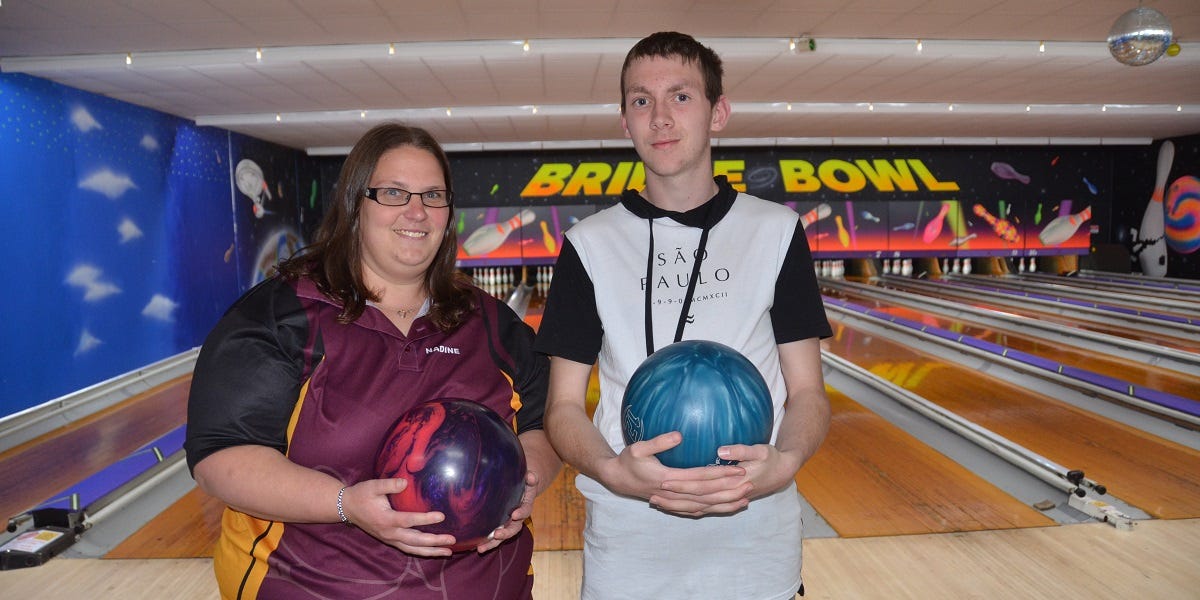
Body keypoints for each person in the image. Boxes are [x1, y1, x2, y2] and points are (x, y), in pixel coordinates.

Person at [184, 123, 560, 600]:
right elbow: (221, 456)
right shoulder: (281, 316)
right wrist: (345, 504)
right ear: (355, 204)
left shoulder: (492, 323)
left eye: (433, 195)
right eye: (394, 193)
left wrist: (527, 483)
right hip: (310, 585)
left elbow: (544, 423)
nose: (417, 212)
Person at [534, 32, 832, 599]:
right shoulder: (588, 245)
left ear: (718, 113)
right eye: (641, 101)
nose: (660, 118)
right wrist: (613, 470)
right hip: (628, 549)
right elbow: (564, 407)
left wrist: (786, 461)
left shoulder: (775, 232)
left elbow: (809, 393)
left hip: (757, 546)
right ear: (625, 120)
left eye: (681, 97)